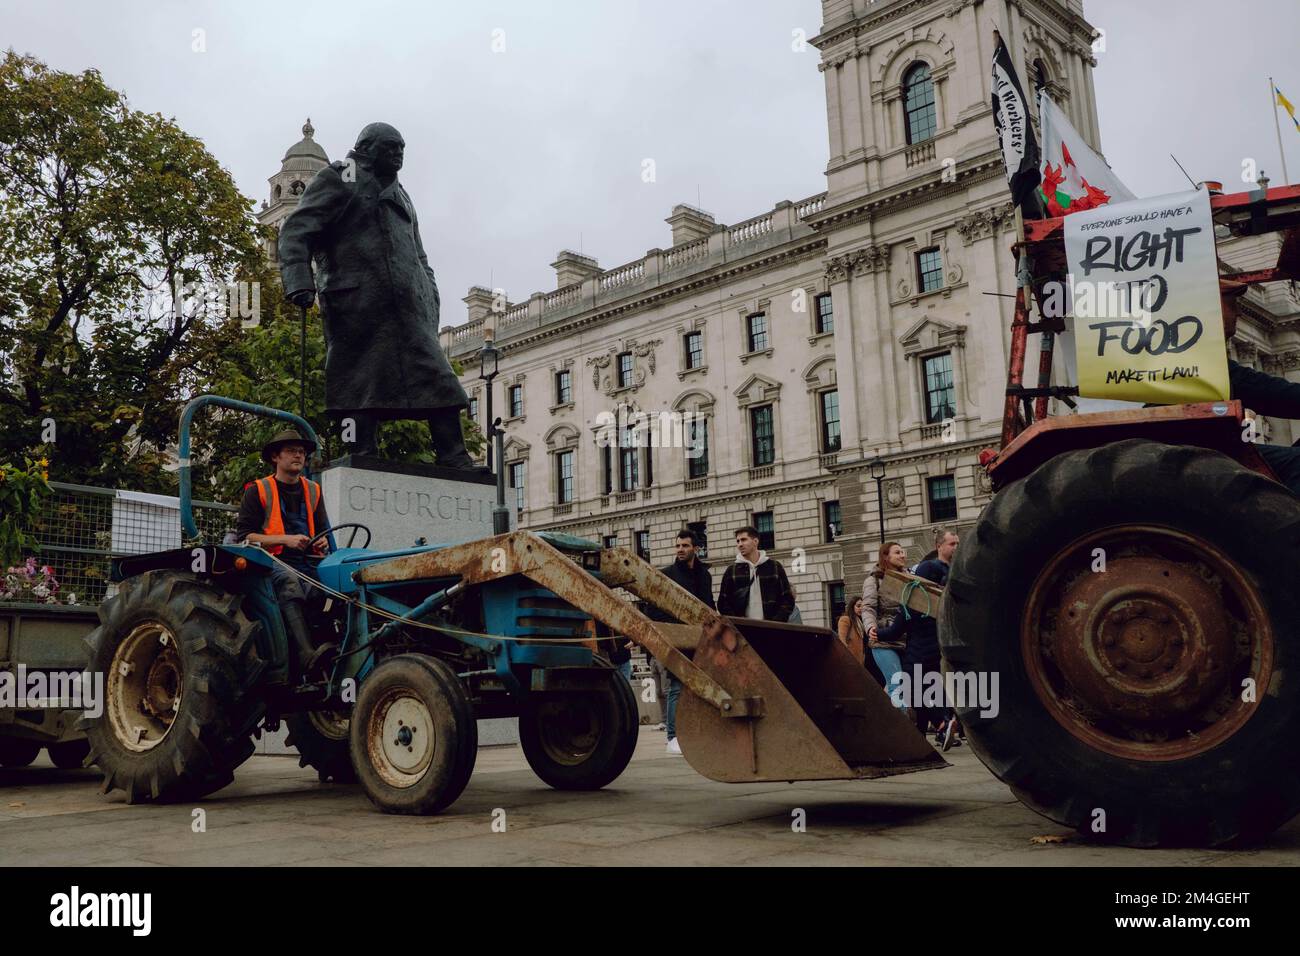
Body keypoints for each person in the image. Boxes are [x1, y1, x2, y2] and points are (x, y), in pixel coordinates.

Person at [277, 122, 485, 474]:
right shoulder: (341, 176)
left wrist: (429, 294)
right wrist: (299, 279)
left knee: (438, 377)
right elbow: (297, 229)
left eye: (402, 148)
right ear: (366, 148)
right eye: (391, 148)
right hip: (356, 303)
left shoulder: (402, 194)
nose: (399, 154)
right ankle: (362, 451)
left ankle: (454, 456)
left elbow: (419, 254)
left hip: (408, 307)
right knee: (357, 383)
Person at [235, 430, 331, 676]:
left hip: (306, 560)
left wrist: (321, 546)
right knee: (290, 582)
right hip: (270, 561)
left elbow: (323, 534)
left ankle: (330, 650)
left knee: (332, 586)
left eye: (301, 452)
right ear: (275, 457)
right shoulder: (258, 490)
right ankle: (304, 653)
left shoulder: (313, 491)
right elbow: (245, 536)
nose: (298, 456)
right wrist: (286, 540)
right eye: (291, 451)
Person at [649, 529, 717, 755]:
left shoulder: (704, 575)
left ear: (695, 549)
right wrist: (673, 631)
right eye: (678, 546)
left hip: (702, 641)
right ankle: (672, 737)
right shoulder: (667, 574)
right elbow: (654, 610)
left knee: (700, 688)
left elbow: (709, 606)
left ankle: (696, 734)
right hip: (678, 641)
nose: (680, 550)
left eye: (685, 546)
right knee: (677, 687)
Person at [907, 529, 961, 749]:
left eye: (958, 543)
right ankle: (939, 726)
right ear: (940, 546)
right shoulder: (930, 567)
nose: (956, 547)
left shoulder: (956, 569)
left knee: (925, 684)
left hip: (937, 636)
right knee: (920, 685)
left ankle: (940, 725)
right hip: (925, 633)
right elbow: (917, 598)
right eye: (952, 544)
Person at [862, 542, 908, 708]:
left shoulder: (909, 578)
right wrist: (870, 628)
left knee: (905, 686)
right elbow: (868, 608)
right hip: (882, 640)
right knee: (896, 682)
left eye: (903, 552)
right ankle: (902, 730)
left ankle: (879, 719)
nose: (903, 555)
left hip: (906, 639)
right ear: (886, 556)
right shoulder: (873, 580)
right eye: (897, 552)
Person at [717, 526, 796, 622]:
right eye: (738, 541)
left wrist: (776, 622)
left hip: (772, 629)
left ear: (755, 541)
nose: (740, 544)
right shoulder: (731, 570)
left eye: (744, 540)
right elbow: (723, 603)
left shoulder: (774, 567)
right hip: (742, 630)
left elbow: (787, 599)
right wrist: (737, 622)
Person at [837, 597, 869, 666]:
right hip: (850, 661)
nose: (861, 608)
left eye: (862, 606)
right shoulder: (845, 619)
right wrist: (847, 659)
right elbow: (842, 641)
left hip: (862, 661)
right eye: (858, 606)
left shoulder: (862, 622)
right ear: (852, 607)